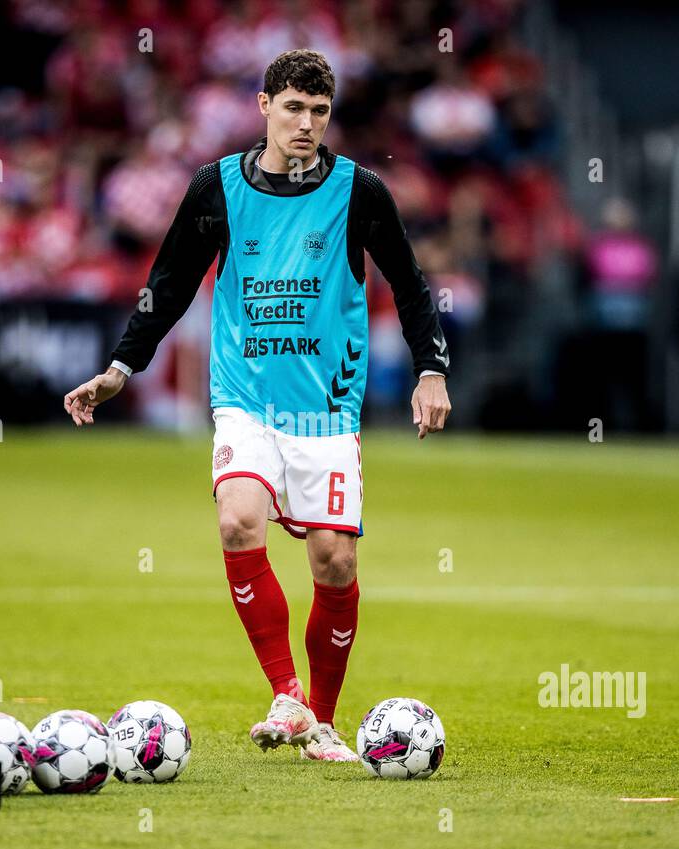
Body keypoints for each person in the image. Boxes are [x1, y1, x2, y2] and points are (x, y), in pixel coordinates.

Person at [64, 49, 452, 761]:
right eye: (295, 108)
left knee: (334, 562)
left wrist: (431, 370)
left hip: (327, 411)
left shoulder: (358, 192)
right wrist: (122, 365)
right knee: (239, 517)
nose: (307, 123)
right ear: (264, 105)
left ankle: (323, 724)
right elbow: (169, 284)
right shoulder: (215, 189)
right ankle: (286, 692)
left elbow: (412, 285)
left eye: (320, 111)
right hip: (245, 400)